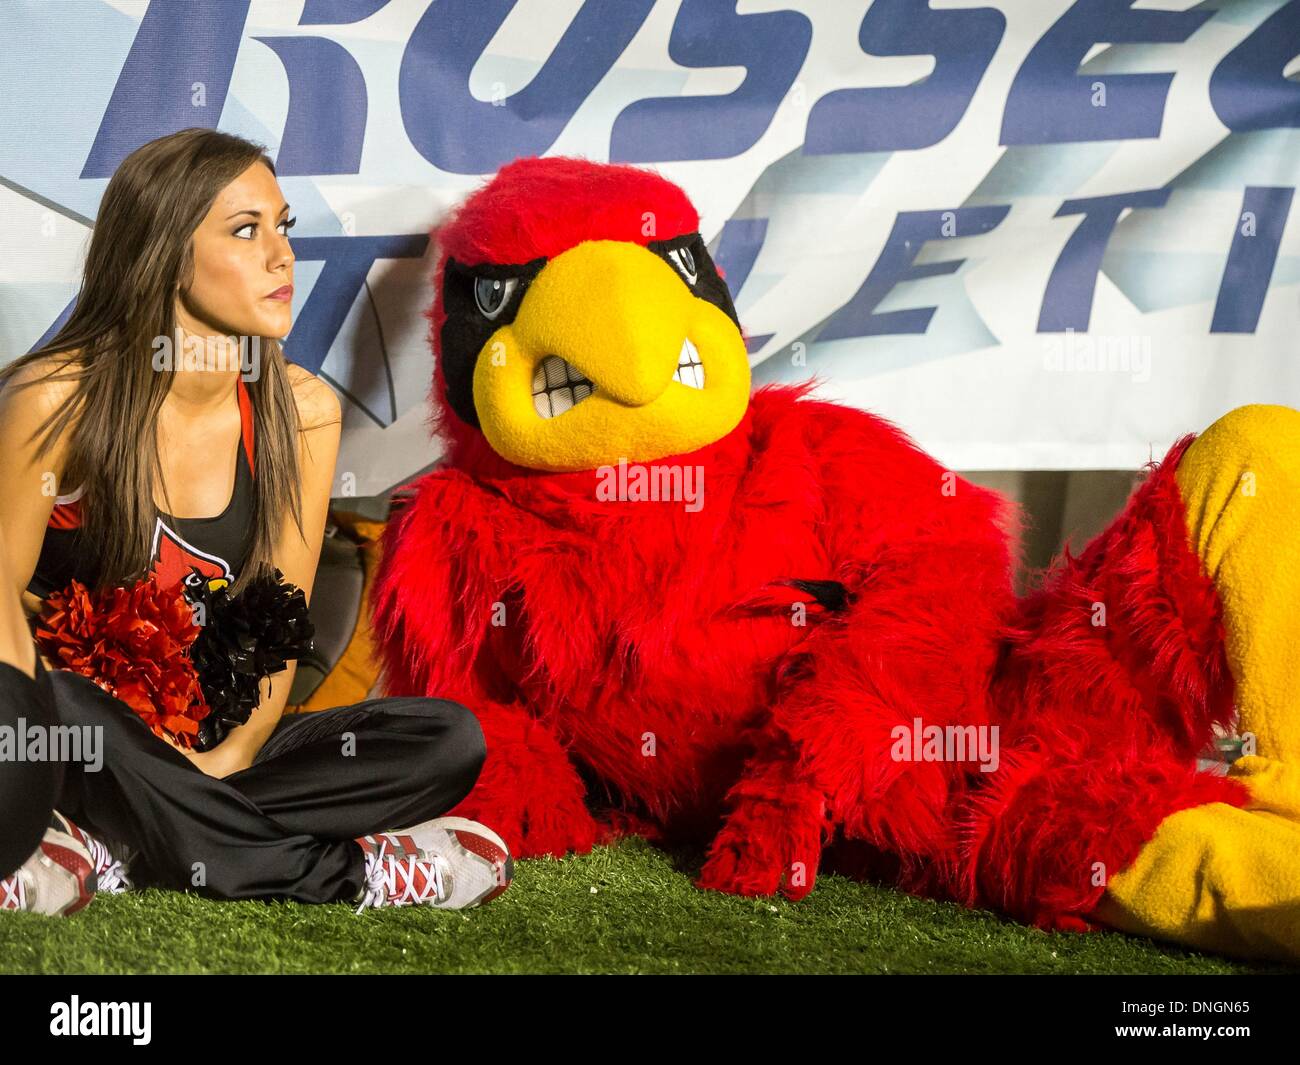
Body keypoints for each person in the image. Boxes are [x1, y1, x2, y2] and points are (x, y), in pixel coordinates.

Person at [0, 127, 511, 914]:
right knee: (64, 703)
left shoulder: (299, 411)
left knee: (445, 739)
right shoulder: (58, 398)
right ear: (165, 250)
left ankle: (114, 844)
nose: (283, 257)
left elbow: (277, 628)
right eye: (246, 231)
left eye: (284, 227)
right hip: (64, 732)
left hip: (210, 738)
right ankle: (358, 875)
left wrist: (221, 762)